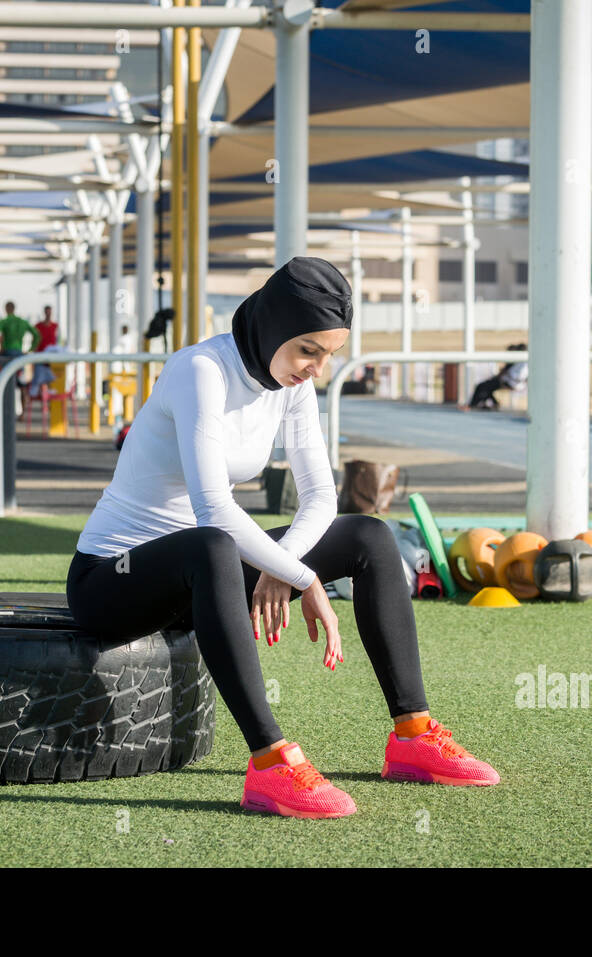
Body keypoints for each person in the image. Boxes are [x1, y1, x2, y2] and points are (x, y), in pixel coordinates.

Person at [65, 256, 500, 820]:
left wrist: (282, 563)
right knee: (213, 543)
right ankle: (272, 765)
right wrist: (303, 576)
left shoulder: (290, 384)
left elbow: (321, 495)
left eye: (328, 355)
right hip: (113, 580)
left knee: (368, 535)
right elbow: (213, 507)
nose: (316, 368)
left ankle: (413, 735)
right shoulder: (200, 370)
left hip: (203, 581)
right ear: (273, 327)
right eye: (308, 350)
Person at [459, 342, 527, 411]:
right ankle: (491, 403)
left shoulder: (523, 364)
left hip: (509, 383)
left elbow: (518, 377)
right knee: (484, 386)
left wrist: (505, 375)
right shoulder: (516, 363)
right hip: (505, 380)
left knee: (483, 386)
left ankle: (472, 405)